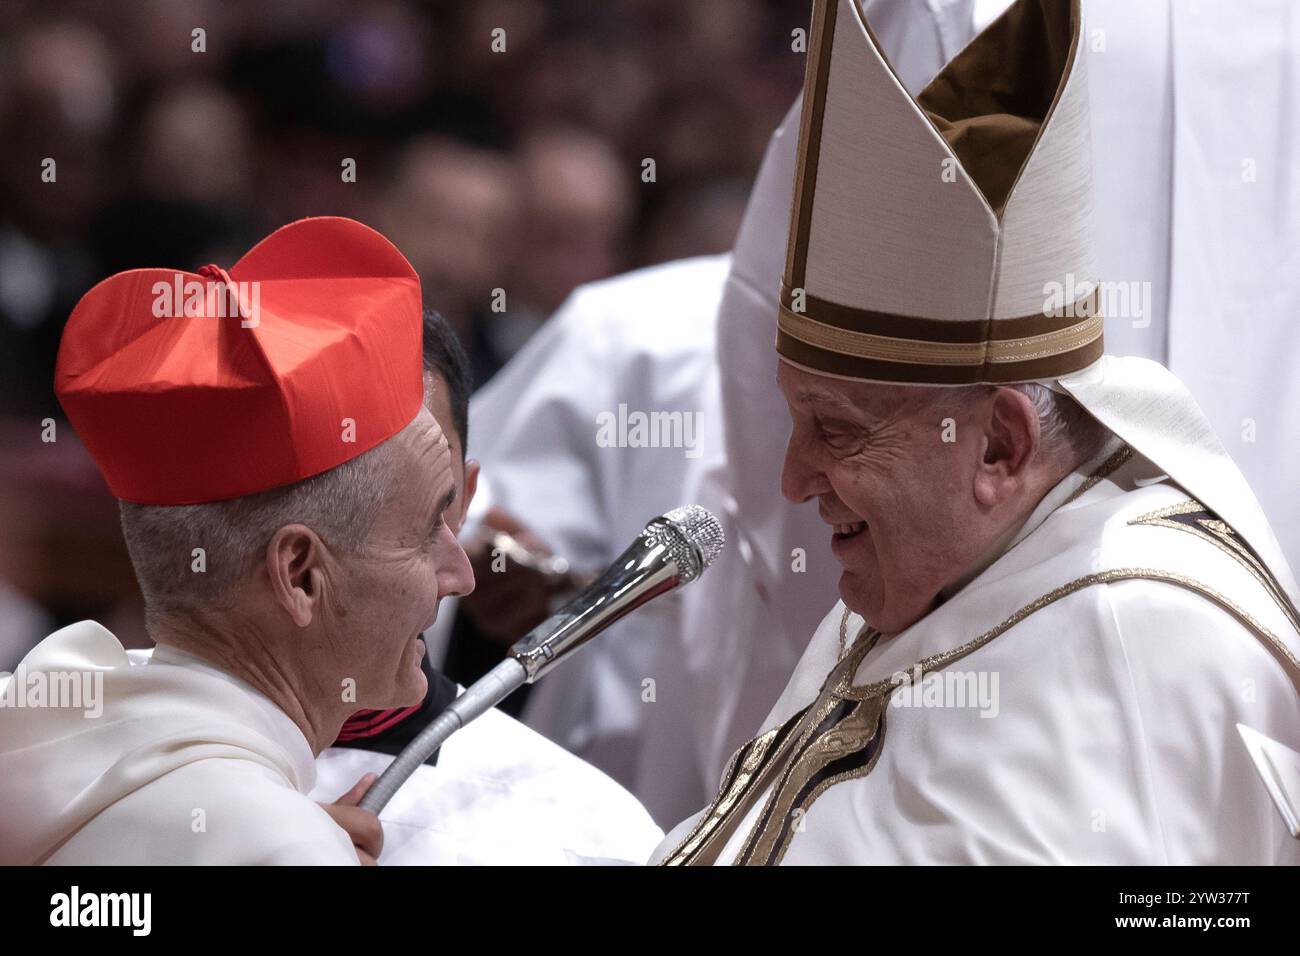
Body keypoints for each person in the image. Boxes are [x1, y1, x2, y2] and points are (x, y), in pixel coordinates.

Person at [652, 0, 1300, 865]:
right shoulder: (933, 569)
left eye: (835, 430)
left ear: (1000, 445)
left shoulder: (1132, 640)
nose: (792, 478)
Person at [463, 0, 981, 820]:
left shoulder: (970, 365)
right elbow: (464, 494)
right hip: (626, 761)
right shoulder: (635, 328)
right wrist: (494, 554)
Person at [0, 217, 473, 864]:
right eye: (425, 533)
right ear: (302, 574)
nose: (461, 572)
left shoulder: (33, 720)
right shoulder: (280, 845)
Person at [309, 309, 663, 865]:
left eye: (427, 502)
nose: (458, 575)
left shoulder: (590, 833)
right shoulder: (133, 758)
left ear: (464, 496)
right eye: (343, 491)